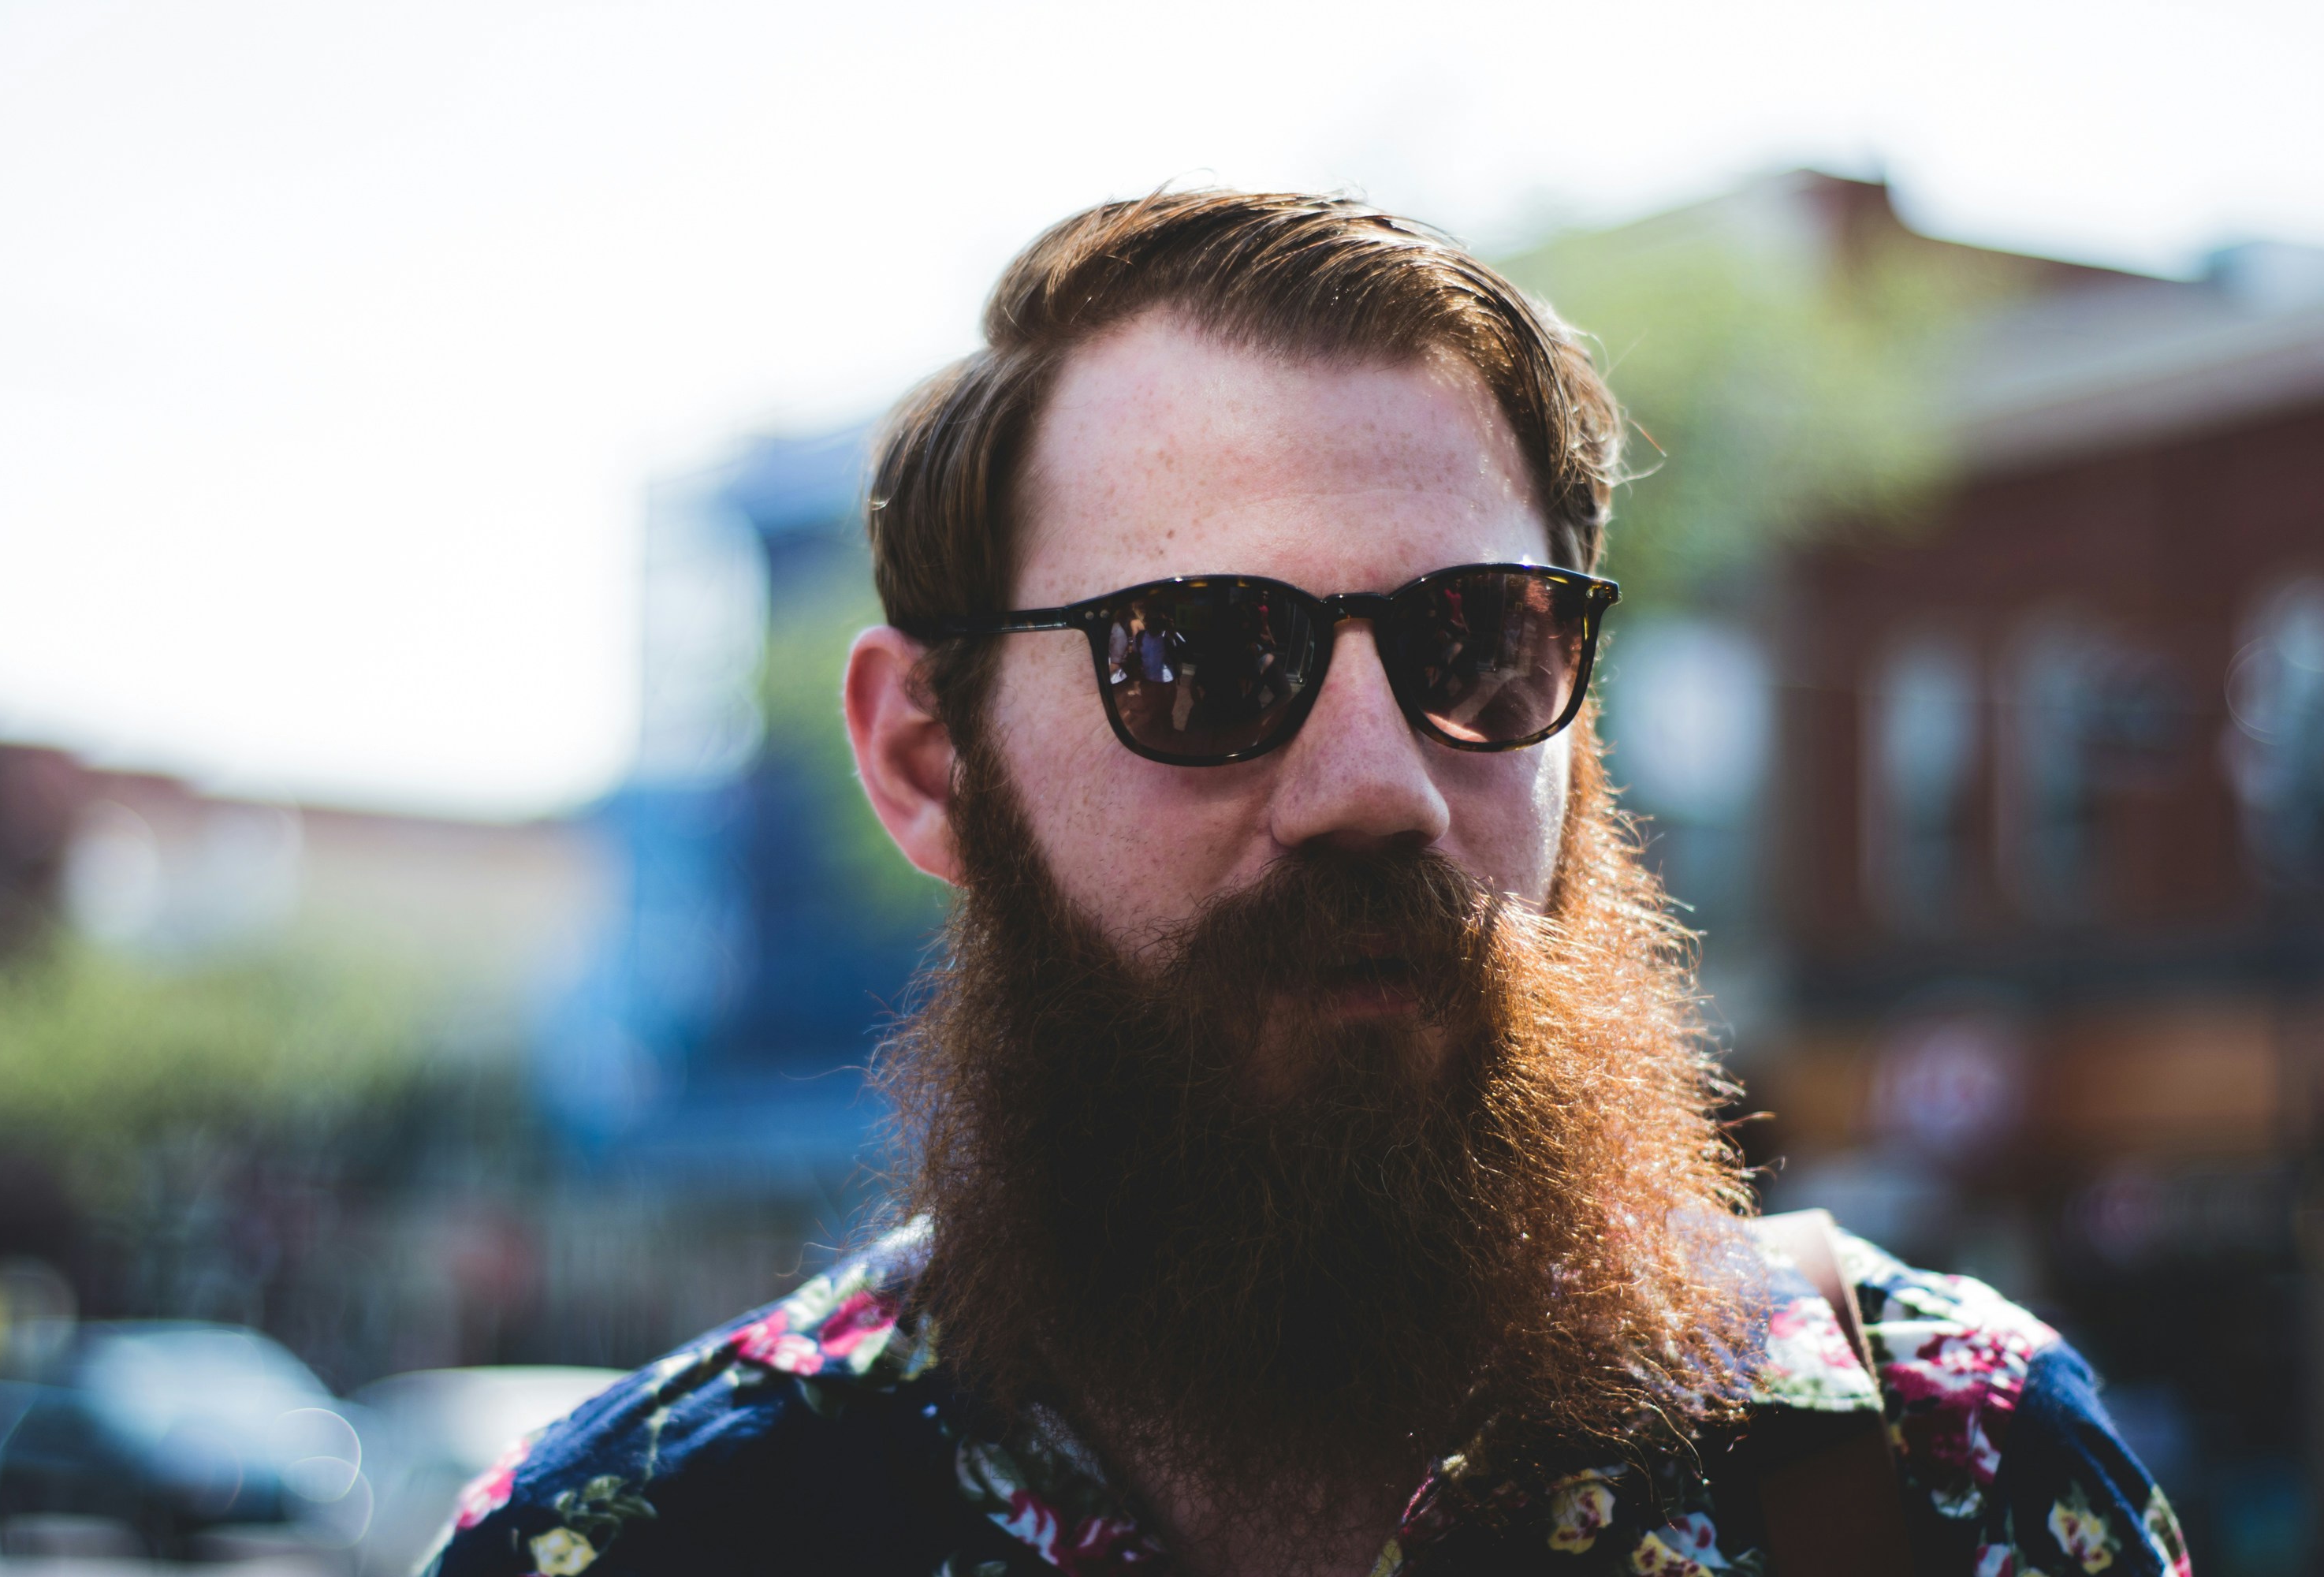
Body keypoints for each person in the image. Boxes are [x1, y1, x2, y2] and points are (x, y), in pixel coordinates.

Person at [427, 191, 2189, 1577]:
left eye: (1481, 643)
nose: (1378, 788)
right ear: (926, 757)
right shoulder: (647, 1540)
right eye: (1196, 656)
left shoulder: (1959, 1482)